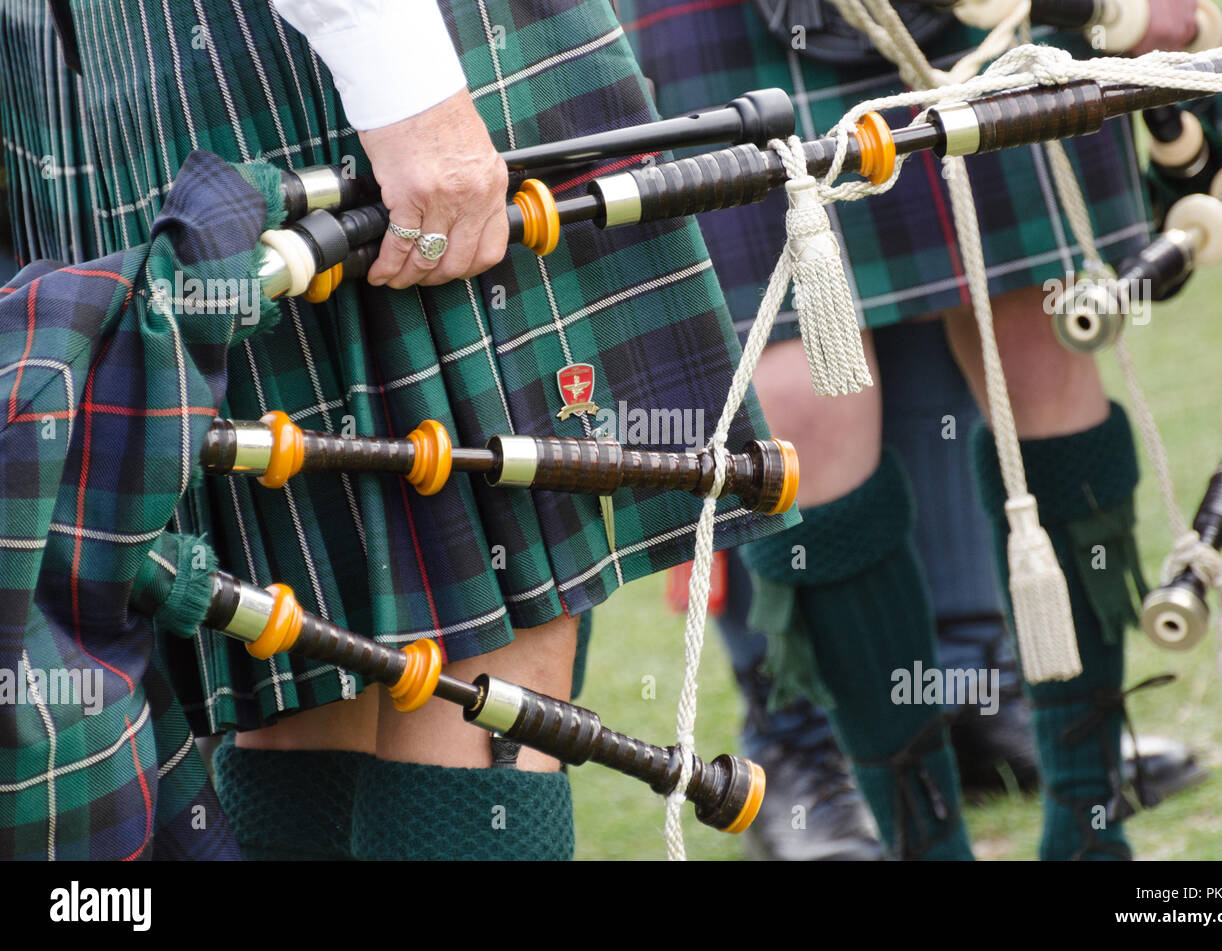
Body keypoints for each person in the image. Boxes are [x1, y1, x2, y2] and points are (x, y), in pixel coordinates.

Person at [0, 0, 792, 860]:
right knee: (479, 657)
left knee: (298, 649)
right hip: (343, 64)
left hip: (117, 75)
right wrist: (404, 82)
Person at [619, 0, 1203, 859]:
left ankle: (1088, 821)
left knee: (1045, 341)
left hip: (995, 26)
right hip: (726, 26)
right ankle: (921, 843)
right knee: (803, 412)